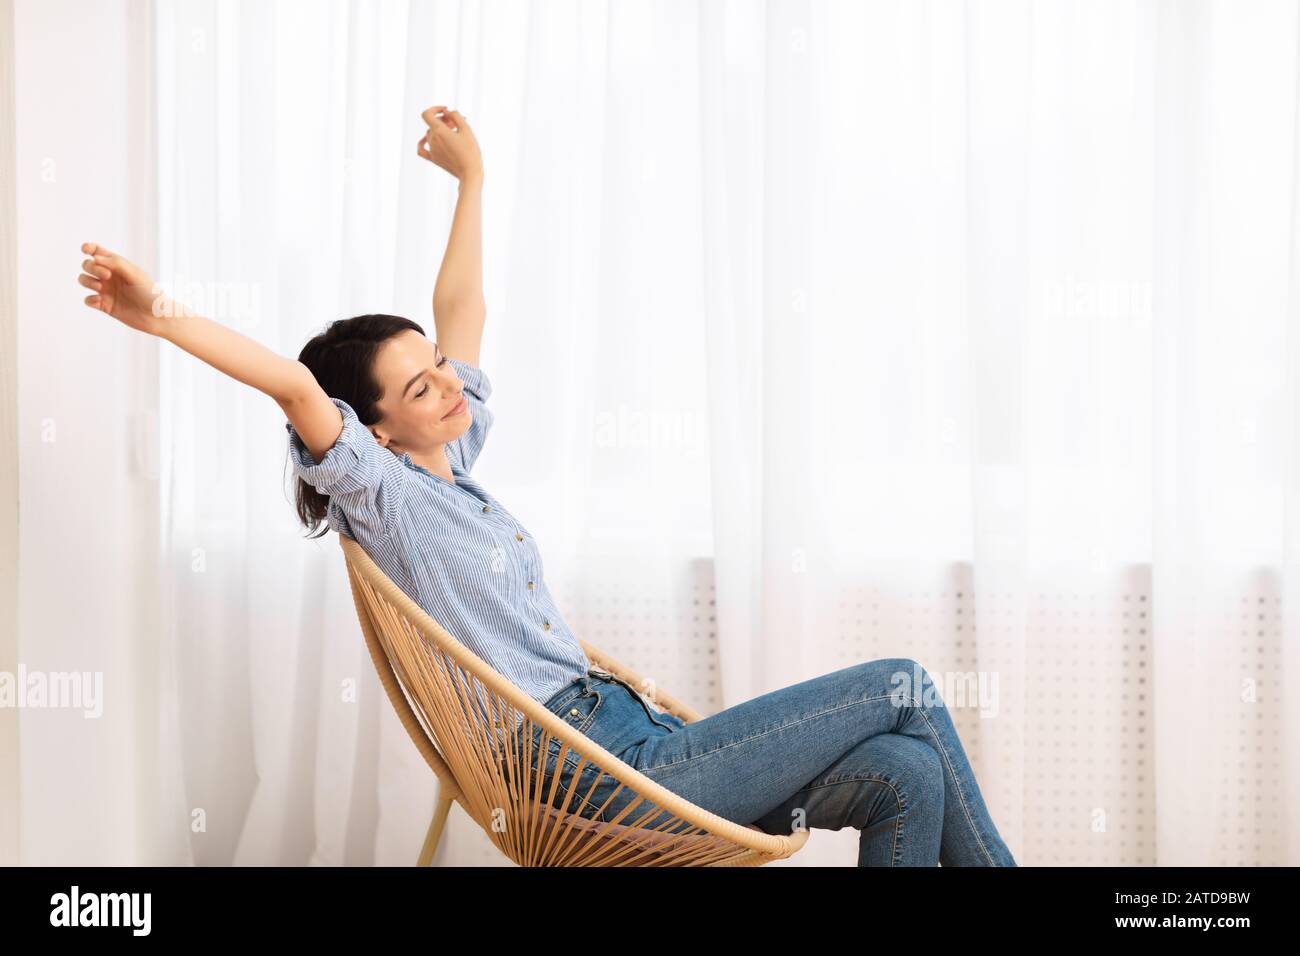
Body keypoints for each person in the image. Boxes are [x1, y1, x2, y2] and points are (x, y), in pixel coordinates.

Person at [75, 106, 1016, 867]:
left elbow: (462, 311)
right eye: (418, 388)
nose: (449, 386)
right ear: (371, 429)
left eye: (439, 369)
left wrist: (474, 181)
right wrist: (155, 312)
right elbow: (289, 381)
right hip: (591, 769)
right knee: (903, 684)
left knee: (905, 773)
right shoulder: (387, 498)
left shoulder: (457, 463)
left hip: (628, 735)